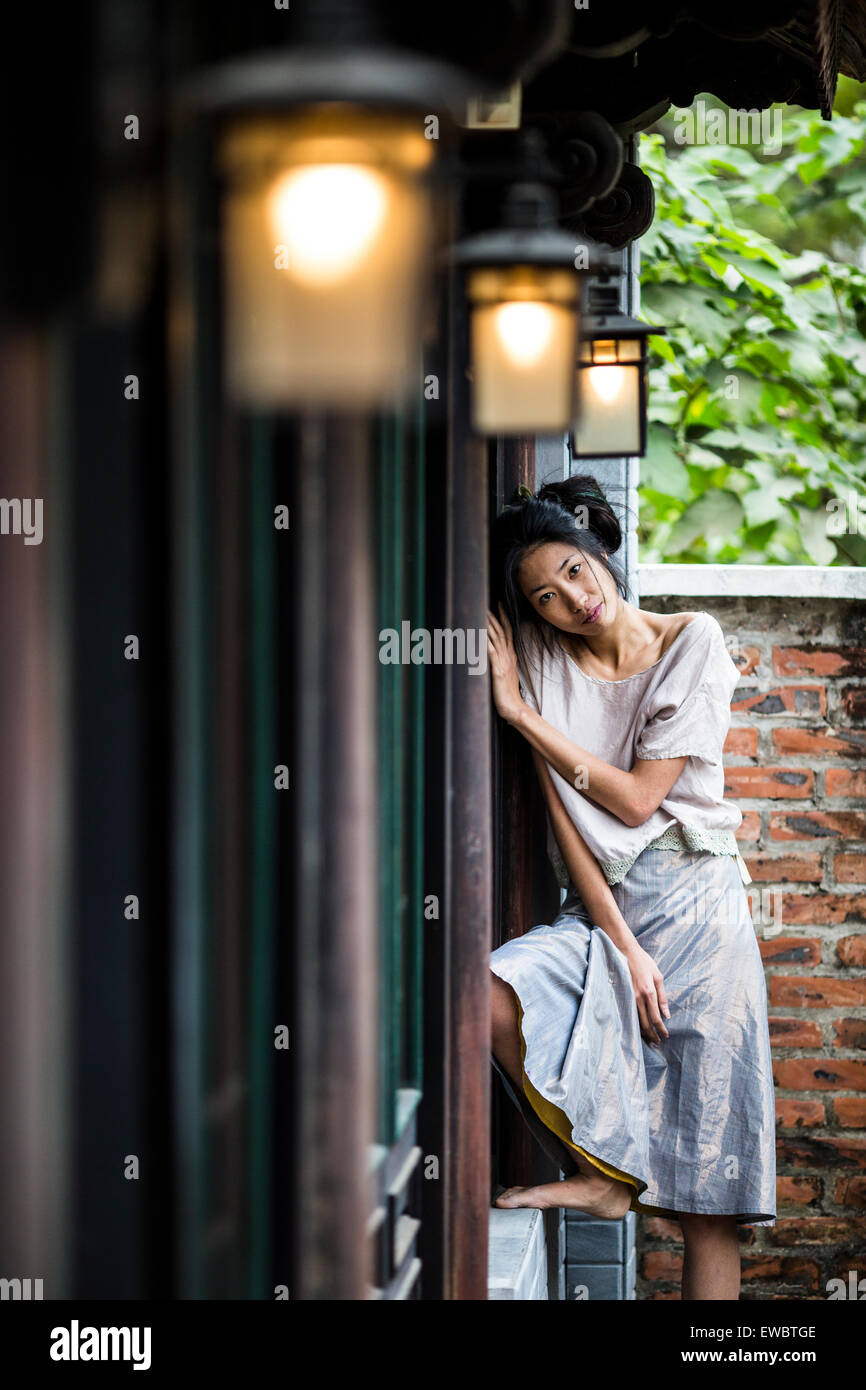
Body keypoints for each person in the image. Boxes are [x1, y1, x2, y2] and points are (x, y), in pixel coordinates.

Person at [486, 474, 775, 1301]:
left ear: (598, 553)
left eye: (575, 572)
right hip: (605, 909)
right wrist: (621, 942)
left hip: (702, 914)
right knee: (490, 992)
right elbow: (569, 825)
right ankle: (603, 1178)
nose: (572, 599)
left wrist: (518, 715)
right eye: (544, 595)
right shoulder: (538, 656)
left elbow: (642, 799)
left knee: (707, 1204)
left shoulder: (694, 642)